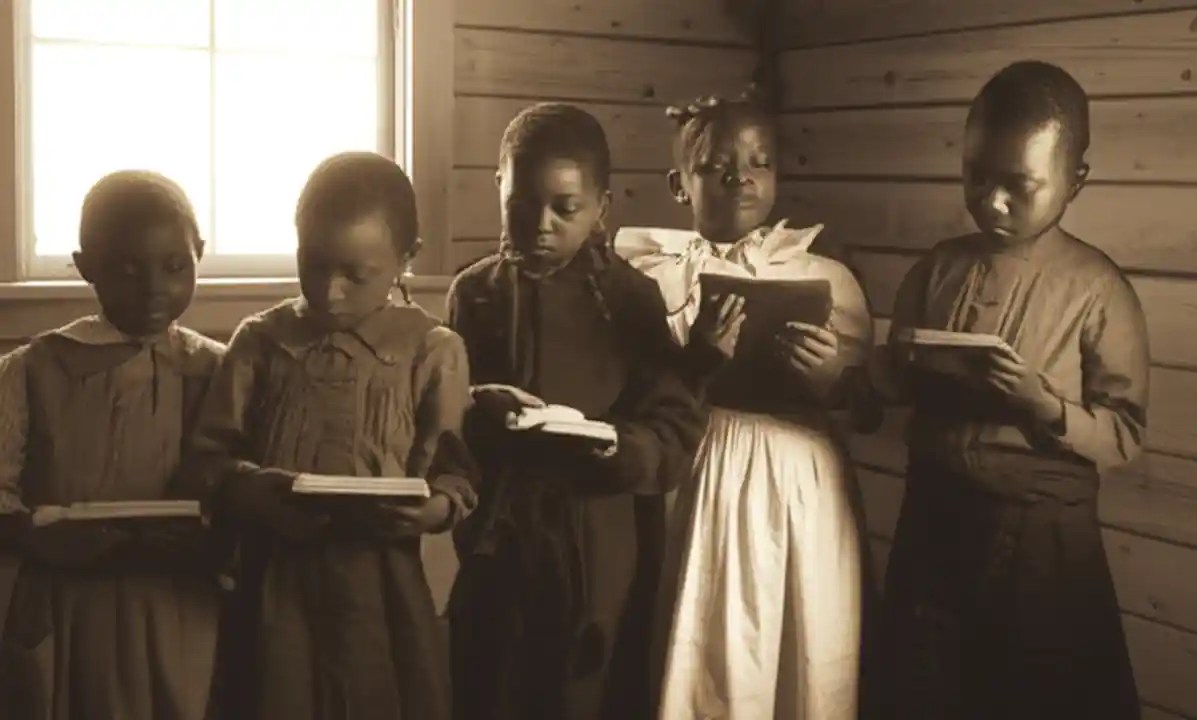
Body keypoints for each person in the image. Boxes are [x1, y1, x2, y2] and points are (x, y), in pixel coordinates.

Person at [873, 60, 1149, 720]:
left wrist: (1042, 405)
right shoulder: (937, 268)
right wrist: (868, 369)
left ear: (1074, 181)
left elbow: (1124, 433)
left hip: (1040, 545)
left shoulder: (1098, 288)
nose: (992, 200)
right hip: (934, 528)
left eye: (1018, 185)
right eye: (976, 176)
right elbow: (892, 381)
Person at [614, 89, 881, 719]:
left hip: (801, 481)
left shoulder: (824, 277)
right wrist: (698, 357)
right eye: (716, 166)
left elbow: (868, 409)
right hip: (701, 466)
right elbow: (632, 386)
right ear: (679, 185)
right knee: (708, 638)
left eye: (760, 162)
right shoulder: (652, 275)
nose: (742, 178)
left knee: (801, 636)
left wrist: (833, 377)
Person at [189, 152, 478, 720]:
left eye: (355, 274)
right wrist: (249, 490)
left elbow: (456, 467)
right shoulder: (260, 343)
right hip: (273, 588)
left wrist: (434, 510)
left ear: (405, 259)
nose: (329, 290)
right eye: (312, 264)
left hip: (382, 589)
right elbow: (206, 459)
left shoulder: (433, 350)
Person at [446, 102, 705, 720]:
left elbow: (671, 424)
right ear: (499, 189)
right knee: (491, 679)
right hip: (503, 533)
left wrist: (619, 447)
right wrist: (479, 408)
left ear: (601, 210)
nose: (540, 225)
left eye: (565, 210)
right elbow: (445, 414)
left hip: (597, 531)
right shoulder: (475, 293)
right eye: (519, 205)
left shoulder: (630, 298)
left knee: (584, 689)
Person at [0, 170, 225, 719]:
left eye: (174, 267)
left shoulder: (219, 369)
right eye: (126, 269)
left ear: (199, 253)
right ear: (86, 268)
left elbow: (239, 475)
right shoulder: (34, 370)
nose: (153, 287)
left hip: (182, 601)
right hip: (71, 600)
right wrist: (31, 536)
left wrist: (220, 534)